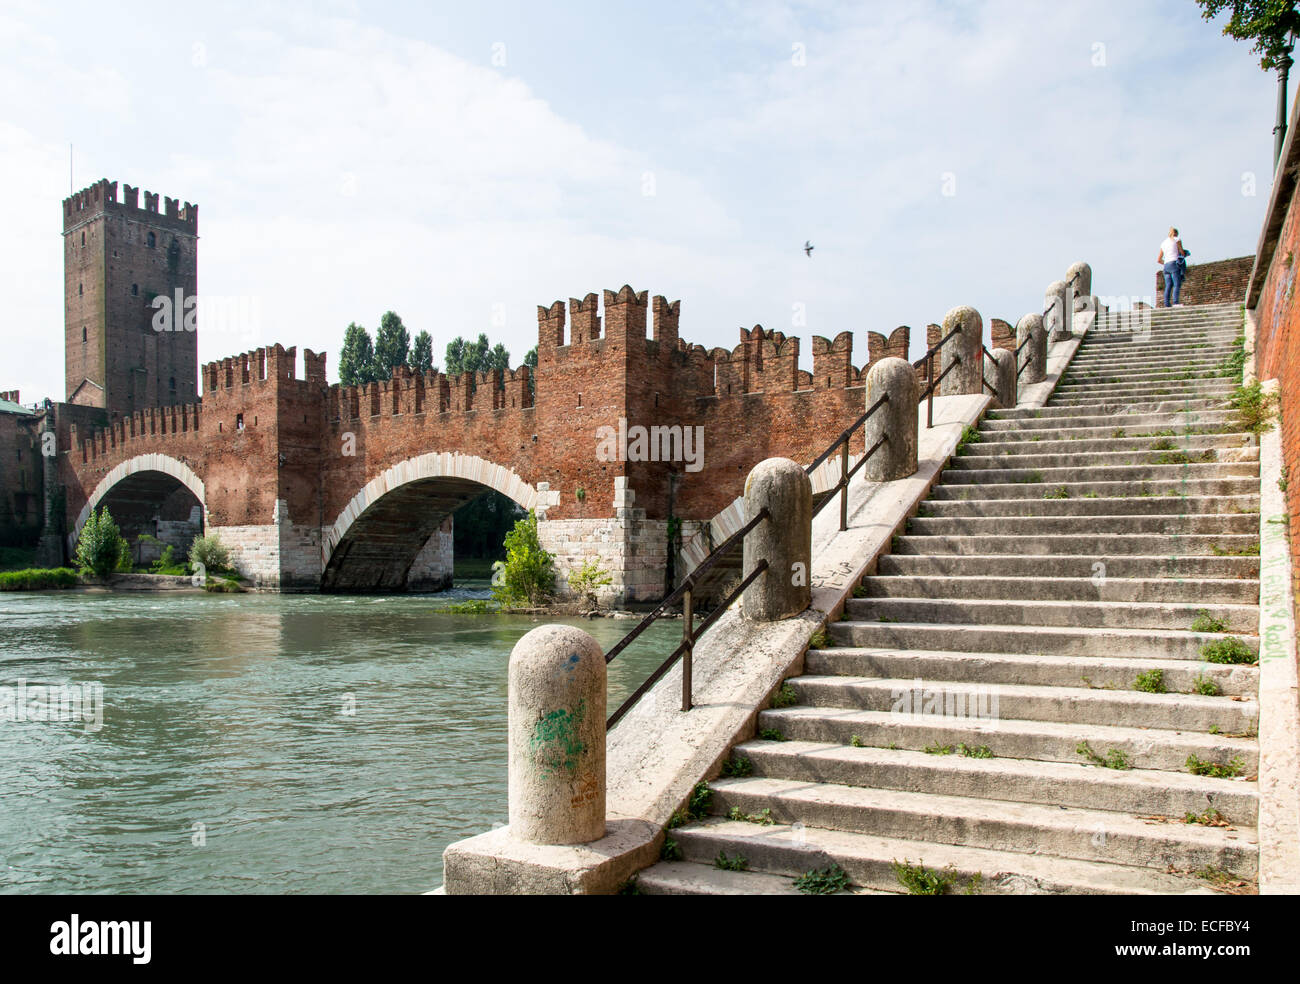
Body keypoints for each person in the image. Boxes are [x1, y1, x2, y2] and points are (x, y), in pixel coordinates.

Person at [1157, 226, 1189, 307]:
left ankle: (1167, 304)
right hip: (1174, 263)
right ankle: (1175, 302)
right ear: (1176, 233)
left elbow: (1159, 260)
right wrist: (1185, 253)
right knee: (1176, 284)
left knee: (1168, 285)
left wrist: (1166, 262)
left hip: (1166, 266)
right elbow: (1182, 252)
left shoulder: (1163, 243)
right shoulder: (1177, 239)